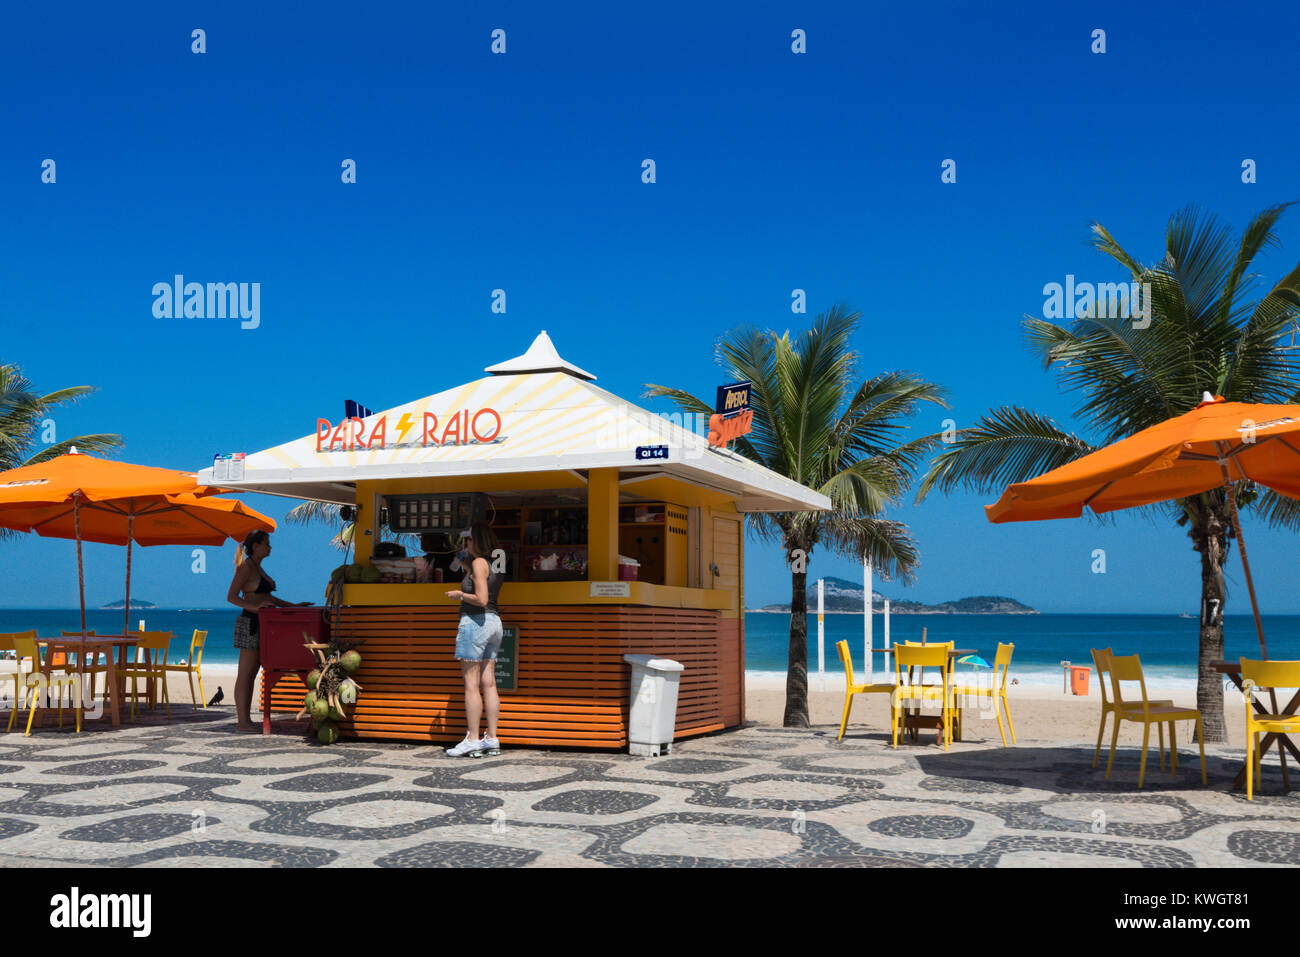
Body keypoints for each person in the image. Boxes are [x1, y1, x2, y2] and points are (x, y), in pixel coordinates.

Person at [226, 529, 310, 732]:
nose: (270, 547)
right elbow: (231, 596)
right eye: (266, 543)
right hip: (250, 623)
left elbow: (269, 599)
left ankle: (246, 719)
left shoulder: (258, 567)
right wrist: (256, 608)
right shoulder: (246, 567)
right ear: (256, 546)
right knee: (245, 673)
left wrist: (293, 606)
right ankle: (242, 721)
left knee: (253, 673)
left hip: (264, 624)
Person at [443, 521, 505, 756]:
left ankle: (473, 738)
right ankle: (491, 737)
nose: (465, 543)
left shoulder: (479, 563)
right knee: (488, 682)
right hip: (494, 623)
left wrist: (459, 594)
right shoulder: (494, 563)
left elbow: (480, 598)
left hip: (476, 621)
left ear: (476, 541)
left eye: (468, 540)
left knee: (471, 684)